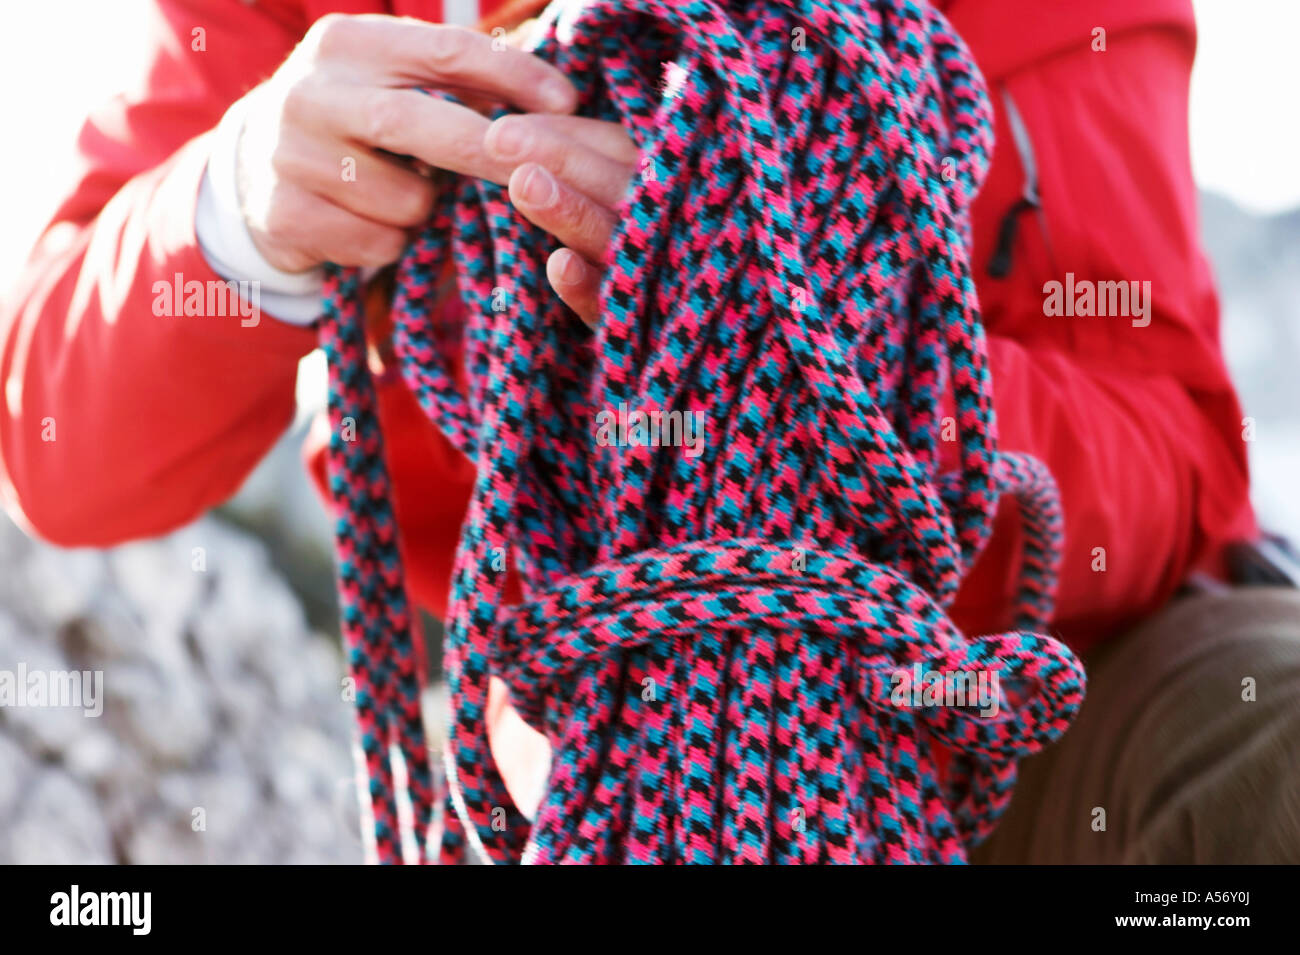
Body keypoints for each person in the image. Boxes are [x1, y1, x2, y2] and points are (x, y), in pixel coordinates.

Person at [1, 0, 1295, 863]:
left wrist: (826, 356)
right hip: (590, 731)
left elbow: (1179, 456)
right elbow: (61, 450)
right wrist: (234, 212)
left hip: (1006, 700)